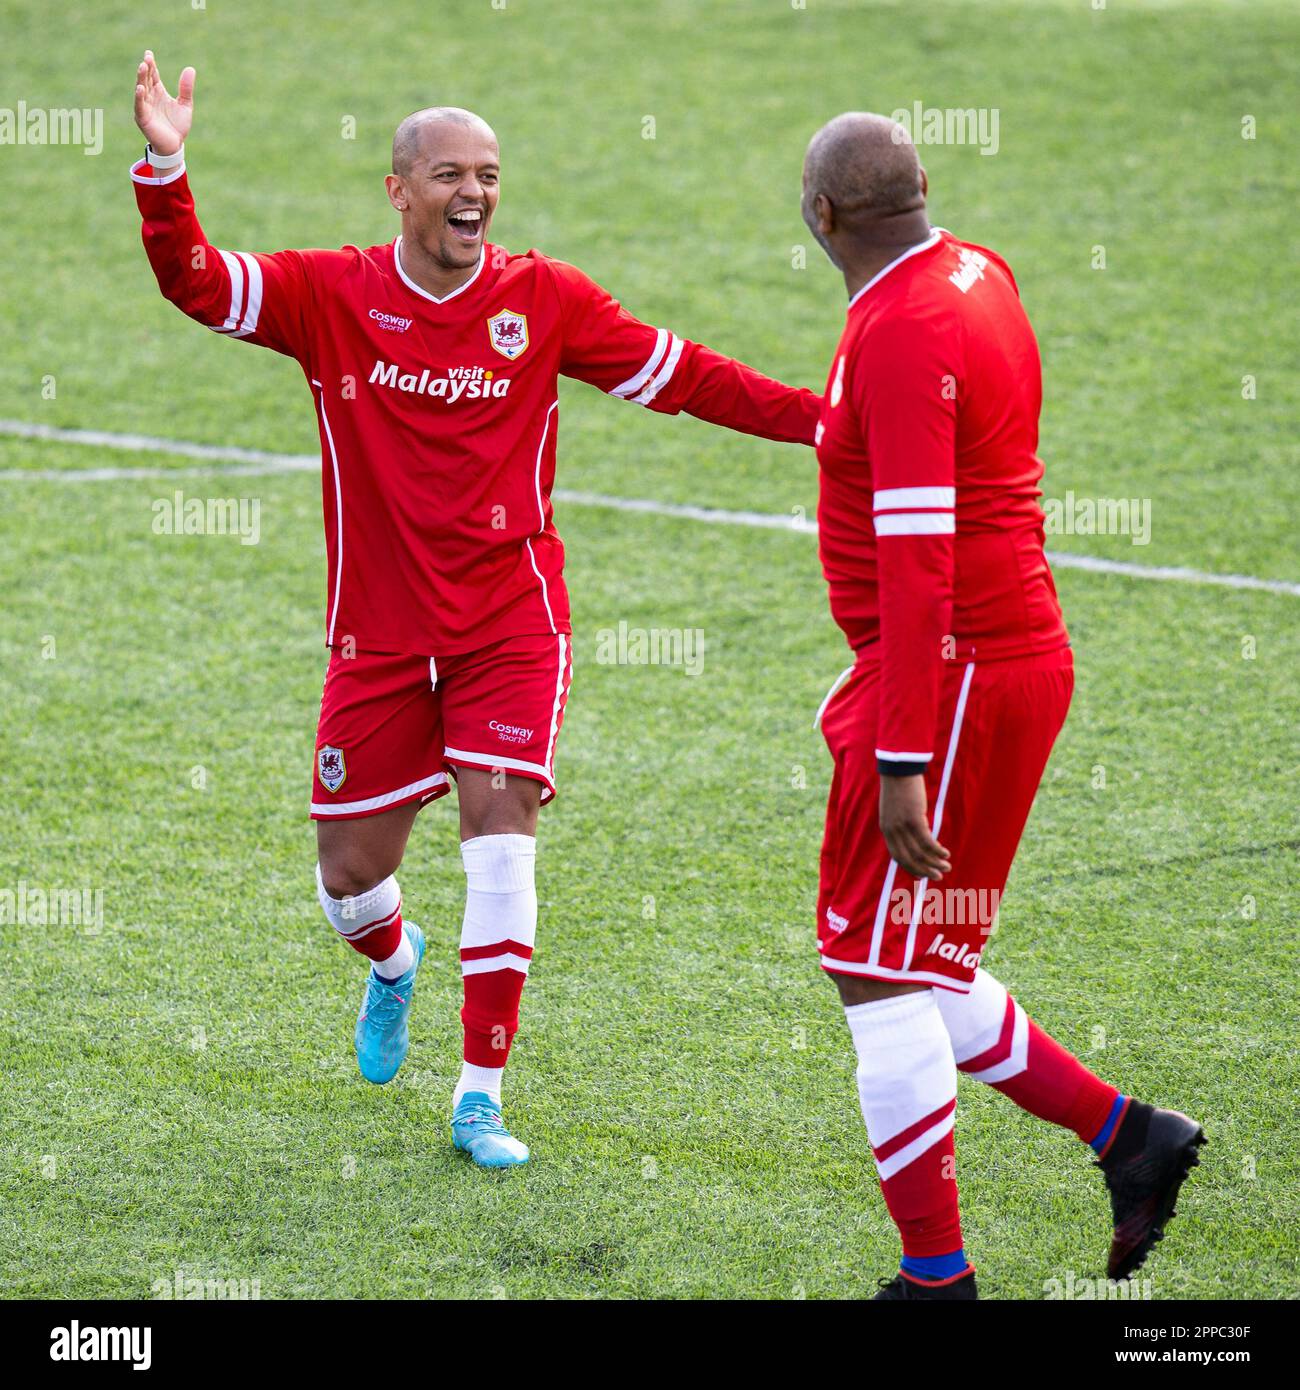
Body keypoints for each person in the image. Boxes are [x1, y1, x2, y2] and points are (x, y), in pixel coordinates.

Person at [131, 51, 819, 1168]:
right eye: (450, 172)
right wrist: (167, 166)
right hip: (381, 634)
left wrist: (827, 422)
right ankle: (396, 969)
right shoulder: (330, 294)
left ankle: (479, 1097)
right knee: (349, 879)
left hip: (511, 618)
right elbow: (198, 284)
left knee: (501, 837)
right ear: (399, 190)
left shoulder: (545, 299)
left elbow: (682, 373)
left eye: (489, 175)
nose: (474, 193)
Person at [801, 111, 1204, 1298]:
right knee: (917, 955)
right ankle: (1131, 1138)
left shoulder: (896, 325)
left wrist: (899, 753)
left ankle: (936, 1281)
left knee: (871, 966)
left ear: (821, 218)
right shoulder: (979, 268)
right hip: (1008, 652)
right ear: (923, 188)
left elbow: (919, 556)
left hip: (958, 669)